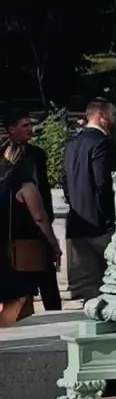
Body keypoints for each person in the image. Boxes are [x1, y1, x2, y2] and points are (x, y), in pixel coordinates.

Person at [1, 109, 62, 315]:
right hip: (27, 227)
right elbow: (39, 203)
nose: (30, 129)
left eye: (30, 124)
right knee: (42, 279)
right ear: (11, 129)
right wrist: (51, 238)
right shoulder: (27, 165)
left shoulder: (35, 154)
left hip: (17, 228)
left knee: (25, 284)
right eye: (25, 125)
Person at [62, 100, 116, 302]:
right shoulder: (103, 143)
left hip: (77, 222)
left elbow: (66, 182)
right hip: (101, 223)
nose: (114, 118)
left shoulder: (71, 145)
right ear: (101, 116)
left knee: (89, 287)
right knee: (112, 281)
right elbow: (103, 183)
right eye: (112, 114)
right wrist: (111, 216)